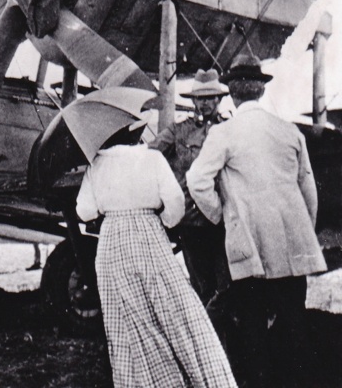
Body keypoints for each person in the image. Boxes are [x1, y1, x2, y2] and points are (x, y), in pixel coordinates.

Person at [186, 54, 327, 388]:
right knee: (295, 323)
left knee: (252, 329)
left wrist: (221, 215)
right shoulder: (289, 131)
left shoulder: (224, 133)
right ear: (261, 91)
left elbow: (196, 180)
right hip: (292, 245)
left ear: (232, 95)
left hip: (249, 245)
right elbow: (308, 188)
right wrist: (302, 229)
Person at [77, 125, 236, 388]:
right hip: (148, 233)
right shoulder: (151, 158)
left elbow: (85, 210)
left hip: (112, 241)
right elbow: (175, 202)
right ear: (134, 135)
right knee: (172, 308)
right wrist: (163, 220)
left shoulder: (97, 164)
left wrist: (109, 208)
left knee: (125, 320)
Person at [149, 69, 231, 333]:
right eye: (200, 98)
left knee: (228, 286)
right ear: (193, 101)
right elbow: (150, 154)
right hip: (192, 222)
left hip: (225, 221)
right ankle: (205, 341)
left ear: (219, 100)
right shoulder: (179, 130)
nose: (205, 103)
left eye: (211, 98)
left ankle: (228, 344)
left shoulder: (229, 129)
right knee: (201, 286)